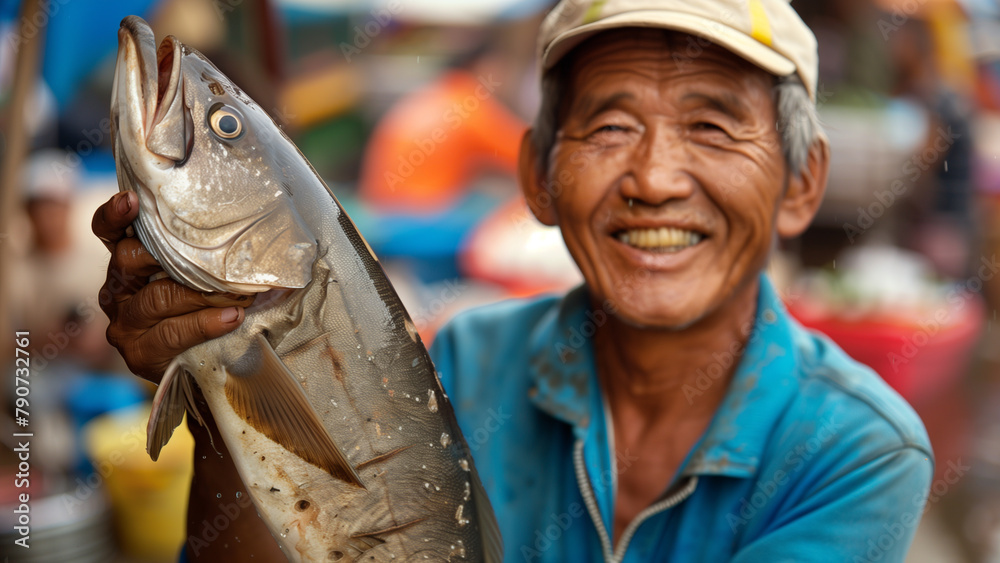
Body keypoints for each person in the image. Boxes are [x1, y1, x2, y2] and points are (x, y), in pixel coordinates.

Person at [91, 0, 934, 560]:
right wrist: (220, 376)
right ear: (537, 175)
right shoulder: (467, 360)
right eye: (610, 125)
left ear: (802, 183)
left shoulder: (858, 451)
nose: (654, 178)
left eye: (713, 127)